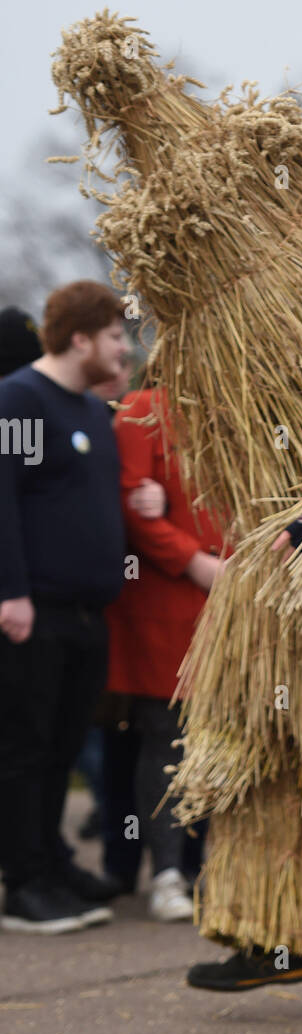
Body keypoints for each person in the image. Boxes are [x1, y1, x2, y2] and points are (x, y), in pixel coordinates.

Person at [0, 281, 128, 932]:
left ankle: (50, 858)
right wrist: (10, 590)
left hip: (87, 615)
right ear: (80, 339)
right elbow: (4, 500)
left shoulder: (88, 410)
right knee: (26, 747)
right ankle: (23, 883)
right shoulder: (20, 399)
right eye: (114, 336)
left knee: (62, 747)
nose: (124, 347)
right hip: (36, 611)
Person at [105, 383, 228, 920]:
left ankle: (207, 867)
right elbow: (134, 505)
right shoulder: (142, 410)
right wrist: (194, 562)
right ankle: (166, 873)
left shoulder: (234, 407)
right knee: (165, 739)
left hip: (229, 604)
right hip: (169, 607)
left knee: (219, 742)